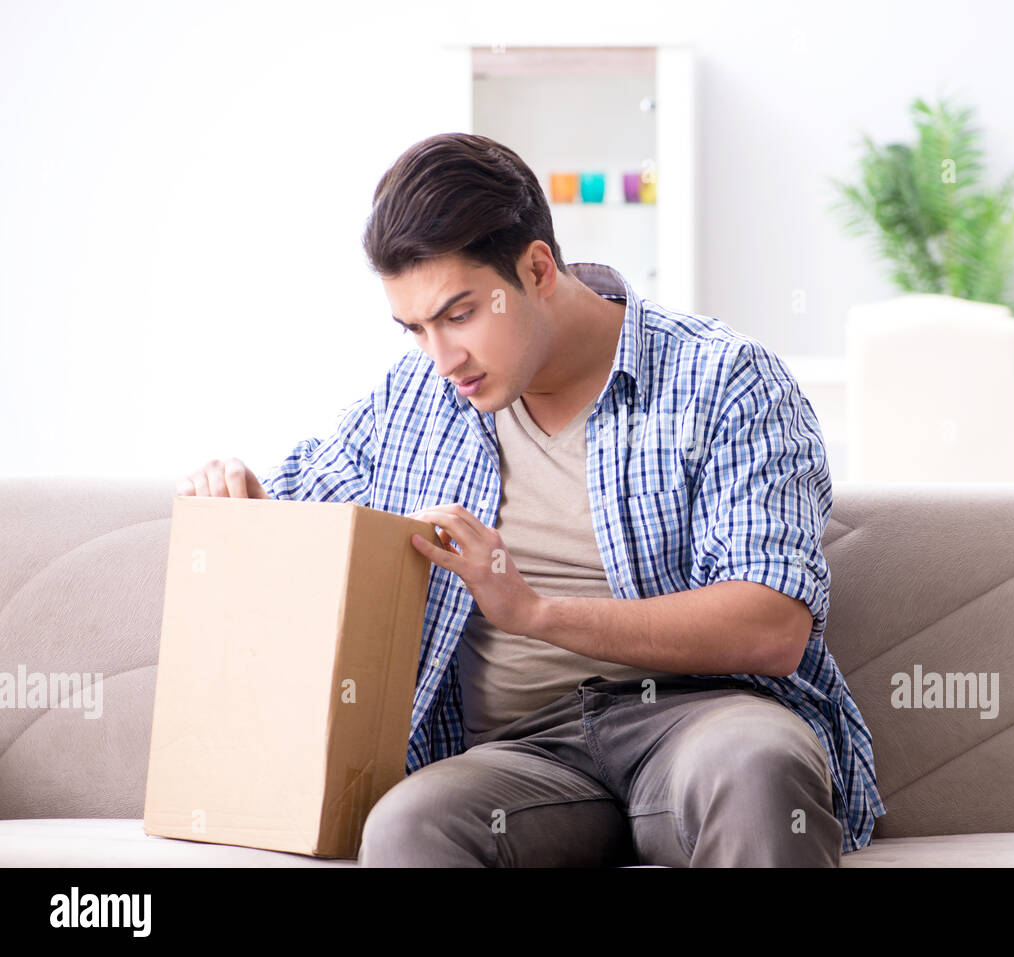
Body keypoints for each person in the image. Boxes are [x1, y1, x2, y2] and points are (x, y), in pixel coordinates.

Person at [176, 132, 885, 866]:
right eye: (415, 329)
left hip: (700, 722)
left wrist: (534, 612)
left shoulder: (722, 380)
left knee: (755, 767)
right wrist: (235, 498)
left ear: (538, 268)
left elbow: (771, 626)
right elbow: (299, 519)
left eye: (458, 315)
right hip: (519, 758)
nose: (441, 358)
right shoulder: (412, 402)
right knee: (406, 826)